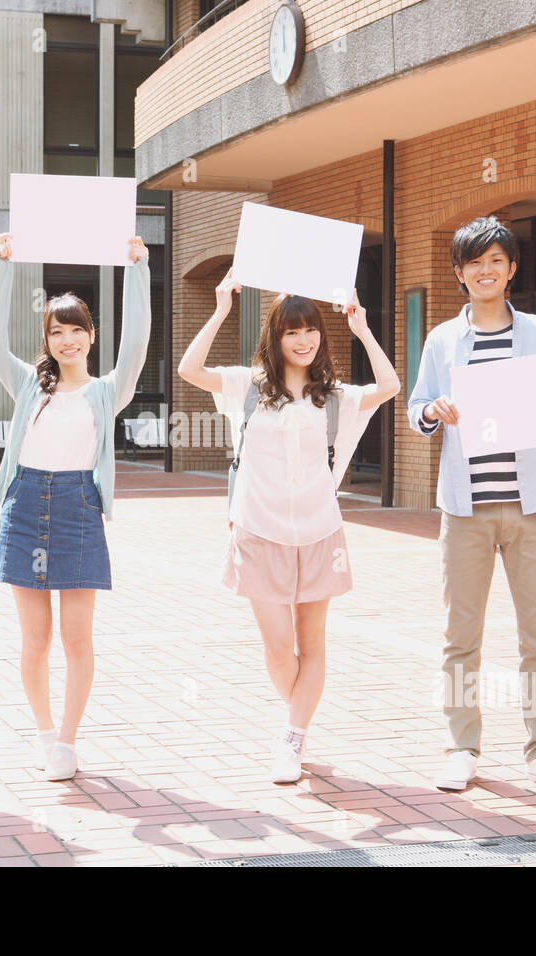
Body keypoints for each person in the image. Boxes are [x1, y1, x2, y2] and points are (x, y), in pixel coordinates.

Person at [407, 215, 536, 794]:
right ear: (459, 274)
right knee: (459, 637)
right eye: (475, 263)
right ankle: (461, 747)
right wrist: (432, 411)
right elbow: (418, 406)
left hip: (532, 508)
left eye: (496, 260)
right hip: (465, 510)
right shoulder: (443, 339)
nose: (485, 270)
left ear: (512, 269)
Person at [178, 269, 400, 783]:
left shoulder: (334, 396)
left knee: (312, 643)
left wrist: (362, 328)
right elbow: (192, 369)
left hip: (320, 533)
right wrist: (220, 309)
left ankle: (293, 737)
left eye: (311, 330)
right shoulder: (248, 388)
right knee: (278, 648)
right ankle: (299, 715)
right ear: (276, 339)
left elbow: (389, 386)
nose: (304, 341)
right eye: (291, 332)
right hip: (258, 531)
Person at [0, 232, 151, 782]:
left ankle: (69, 743)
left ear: (92, 337)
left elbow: (138, 343)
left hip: (77, 507)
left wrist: (138, 269)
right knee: (35, 639)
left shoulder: (107, 390)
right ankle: (44, 733)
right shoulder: (30, 384)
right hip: (26, 503)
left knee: (77, 638)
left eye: (78, 329)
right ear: (47, 338)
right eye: (58, 330)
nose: (68, 339)